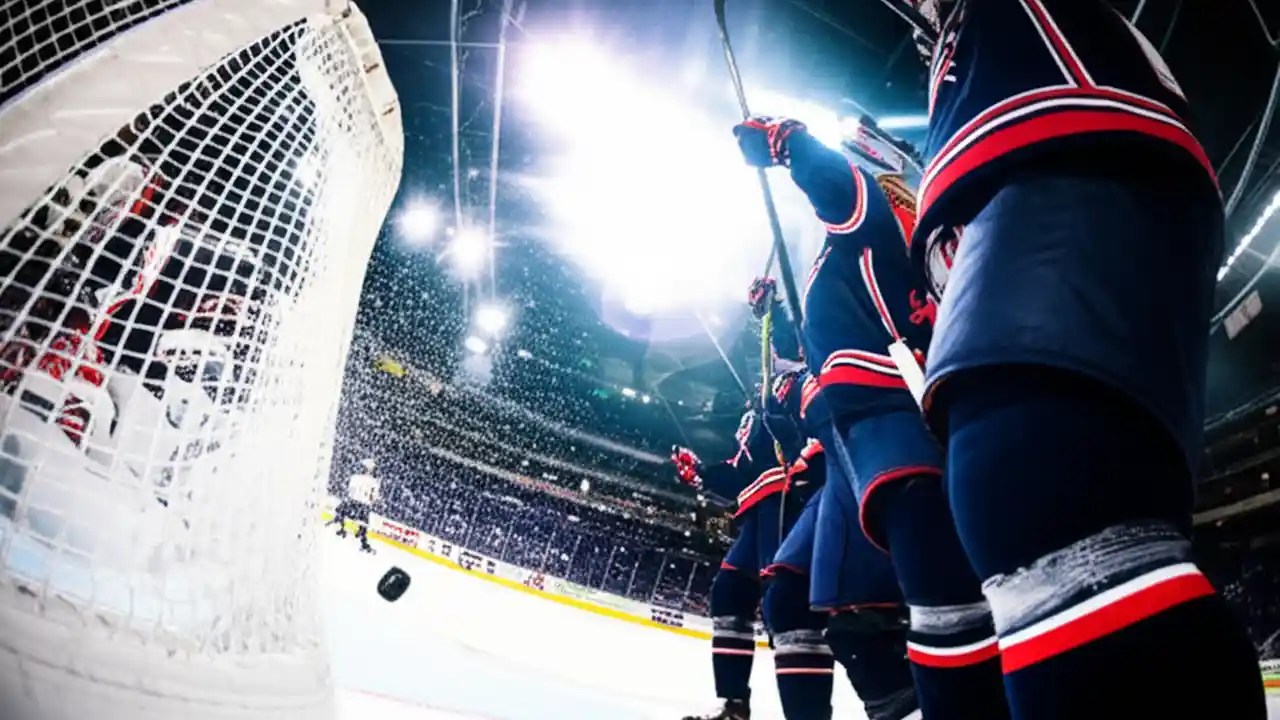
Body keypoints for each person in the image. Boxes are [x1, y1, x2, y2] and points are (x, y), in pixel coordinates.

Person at [905, 1, 1266, 717]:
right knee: (1032, 496)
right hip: (1065, 149)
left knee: (1035, 484)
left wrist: (804, 152)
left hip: (1072, 137)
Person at [733, 119, 1008, 719]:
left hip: (885, 410)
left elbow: (844, 191)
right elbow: (812, 354)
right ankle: (901, 700)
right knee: (794, 600)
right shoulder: (843, 261)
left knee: (928, 575)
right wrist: (772, 318)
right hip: (846, 439)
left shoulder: (885, 224)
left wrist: (789, 143)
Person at [758, 362, 918, 720]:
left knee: (859, 615)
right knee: (787, 599)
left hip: (877, 440)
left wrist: (805, 387)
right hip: (836, 462)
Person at [673, 394, 798, 720]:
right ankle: (733, 704)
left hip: (787, 497)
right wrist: (703, 475)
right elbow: (742, 470)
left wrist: (788, 429)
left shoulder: (790, 383)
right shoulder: (757, 407)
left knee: (785, 610)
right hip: (758, 506)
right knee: (729, 594)